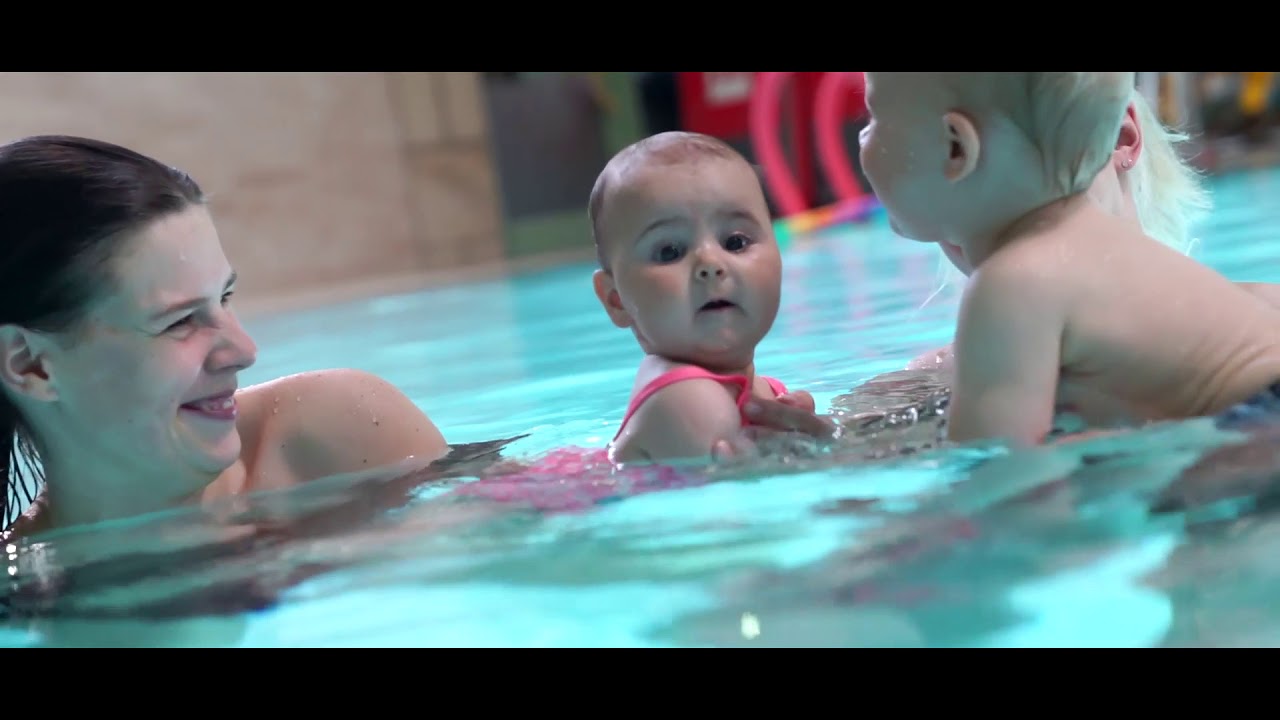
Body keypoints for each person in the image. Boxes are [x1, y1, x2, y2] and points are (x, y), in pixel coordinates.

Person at [0, 135, 453, 540]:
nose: (244, 351)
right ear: (30, 366)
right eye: (179, 321)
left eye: (226, 297)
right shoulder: (27, 589)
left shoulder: (338, 440)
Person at [855, 71, 1280, 446]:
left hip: (1259, 424)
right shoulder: (1116, 260)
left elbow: (998, 476)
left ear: (955, 149)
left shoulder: (1012, 284)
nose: (862, 136)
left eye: (873, 117)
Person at [587, 130, 796, 463]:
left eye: (735, 242)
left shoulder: (769, 393)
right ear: (616, 300)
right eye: (670, 251)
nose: (710, 265)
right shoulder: (687, 400)